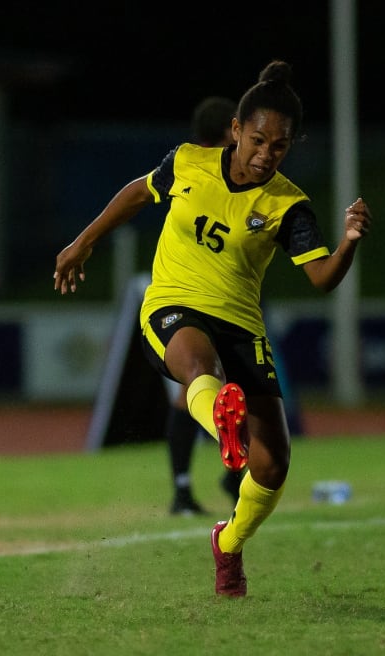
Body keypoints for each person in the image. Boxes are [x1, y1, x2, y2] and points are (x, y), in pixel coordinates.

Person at [54, 60, 372, 597]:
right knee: (198, 364)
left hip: (242, 327)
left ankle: (228, 544)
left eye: (280, 146)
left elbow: (321, 278)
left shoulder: (288, 205)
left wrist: (350, 242)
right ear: (235, 131)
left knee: (273, 465)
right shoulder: (188, 162)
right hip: (172, 307)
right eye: (257, 140)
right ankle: (223, 424)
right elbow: (137, 192)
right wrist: (83, 241)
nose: (265, 153)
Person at [165, 95, 240, 516]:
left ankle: (191, 486)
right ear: (231, 132)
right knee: (203, 386)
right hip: (201, 298)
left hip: (216, 295)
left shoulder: (191, 171)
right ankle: (226, 473)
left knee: (200, 390)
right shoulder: (208, 171)